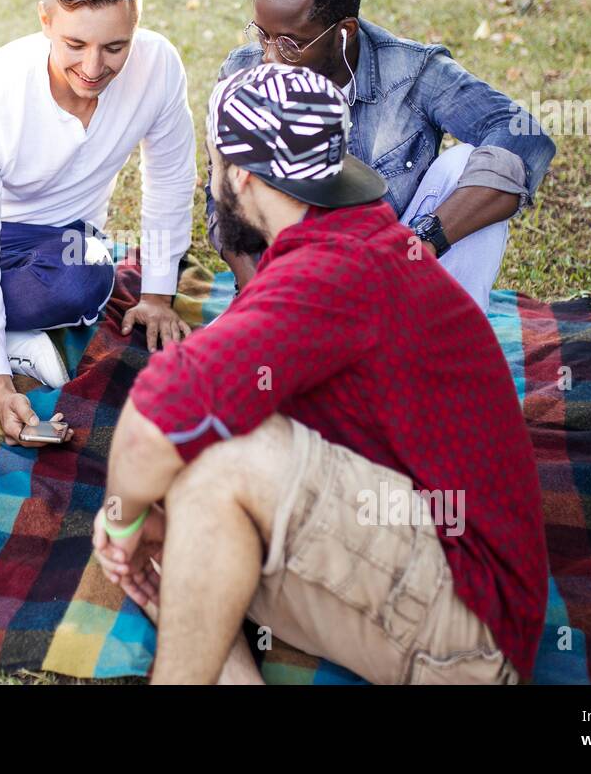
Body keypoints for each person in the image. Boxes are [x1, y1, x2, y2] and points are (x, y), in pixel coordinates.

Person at [92, 63, 548, 684]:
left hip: (473, 629)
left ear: (241, 177)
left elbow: (154, 418)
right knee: (190, 477)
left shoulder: (332, 271)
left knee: (213, 456)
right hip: (422, 567)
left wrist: (121, 522)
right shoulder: (347, 238)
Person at [0, 0, 197, 445]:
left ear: (136, 28)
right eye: (75, 44)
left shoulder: (158, 65)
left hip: (62, 240)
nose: (94, 66)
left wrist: (158, 293)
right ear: (45, 21)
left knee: (86, 276)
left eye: (115, 47)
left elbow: (171, 177)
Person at [209, 0, 557, 312]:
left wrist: (420, 243)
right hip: (289, 281)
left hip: (395, 265)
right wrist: (261, 294)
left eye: (290, 43)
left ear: (344, 33)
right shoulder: (242, 71)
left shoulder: (413, 72)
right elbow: (223, 201)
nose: (270, 58)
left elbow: (522, 135)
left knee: (467, 164)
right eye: (262, 35)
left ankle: (440, 337)